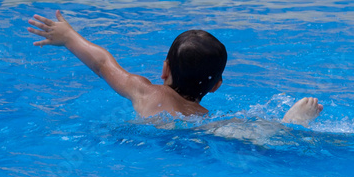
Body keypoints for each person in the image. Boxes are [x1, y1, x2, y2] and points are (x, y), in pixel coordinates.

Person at [27, 10, 322, 126]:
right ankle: (286, 126)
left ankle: (287, 127)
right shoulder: (204, 116)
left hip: (153, 134)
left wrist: (68, 37)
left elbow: (103, 63)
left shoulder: (144, 91)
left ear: (164, 69)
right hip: (200, 133)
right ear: (216, 85)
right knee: (234, 131)